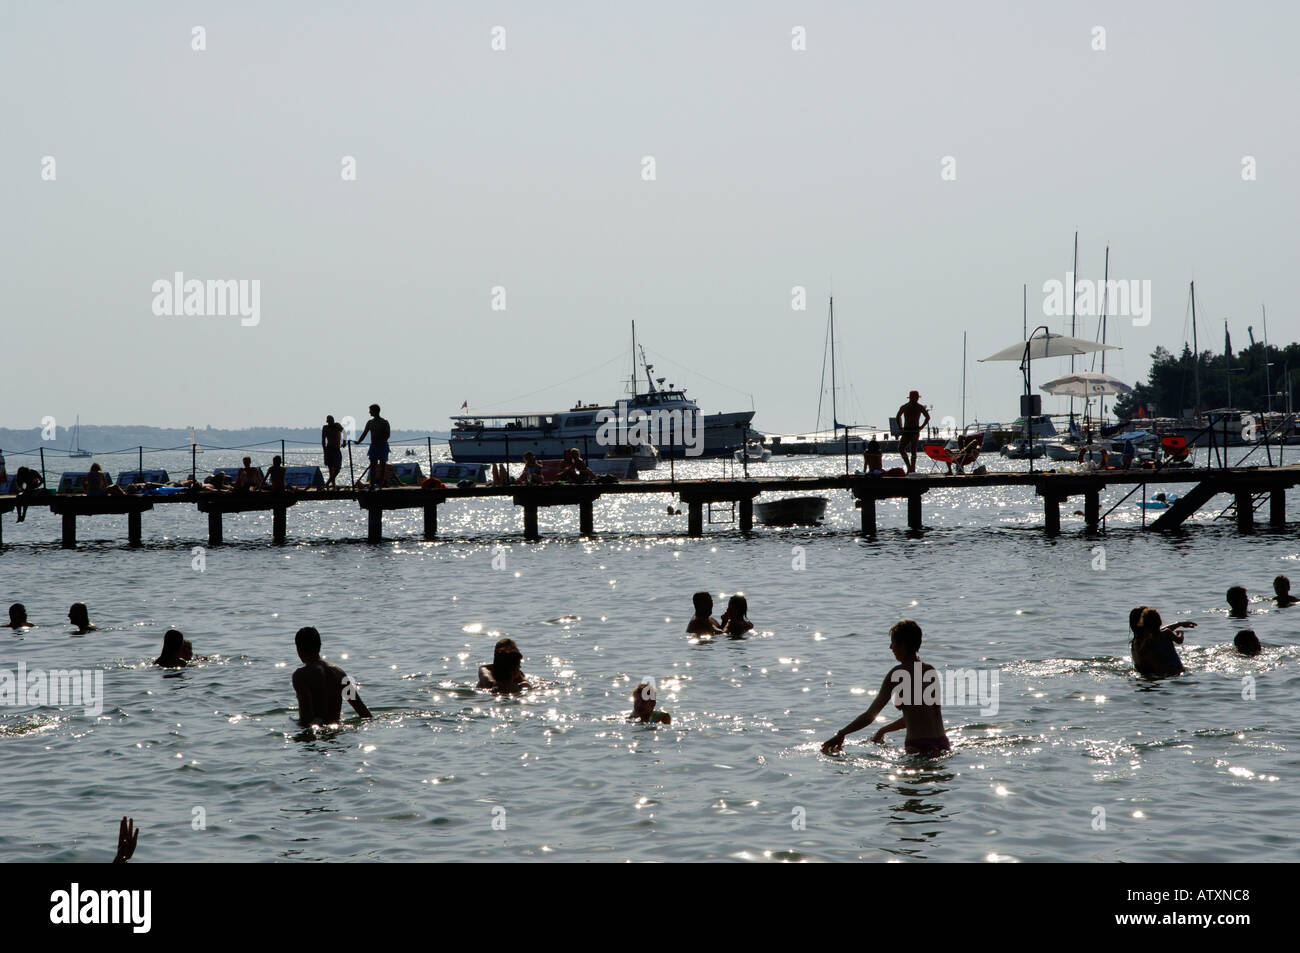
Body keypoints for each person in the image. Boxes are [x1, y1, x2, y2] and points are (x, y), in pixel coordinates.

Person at [821, 619, 950, 755]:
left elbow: (870, 716)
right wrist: (884, 730)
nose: (891, 648)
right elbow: (920, 715)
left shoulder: (897, 674)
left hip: (918, 746)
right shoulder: (930, 670)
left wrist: (842, 733)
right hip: (942, 743)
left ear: (902, 646)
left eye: (893, 643)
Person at [291, 626, 372, 726]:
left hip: (316, 734)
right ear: (319, 646)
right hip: (336, 733)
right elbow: (364, 713)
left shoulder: (301, 675)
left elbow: (306, 719)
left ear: (298, 649)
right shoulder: (339, 673)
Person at [1130, 606, 1195, 677]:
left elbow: (1159, 633)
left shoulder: (1137, 642)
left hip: (1147, 677)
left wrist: (1179, 624)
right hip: (1166, 674)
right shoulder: (1146, 643)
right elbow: (1162, 633)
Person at [354, 404, 391, 489]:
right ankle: (372, 484)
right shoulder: (370, 422)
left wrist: (381, 441)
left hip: (382, 446)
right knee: (373, 465)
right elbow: (365, 433)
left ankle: (381, 484)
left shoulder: (384, 422)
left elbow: (387, 434)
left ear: (375, 411)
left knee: (382, 465)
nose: (369, 412)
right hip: (374, 446)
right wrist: (359, 441)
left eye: (370, 410)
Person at [895, 391, 931, 474]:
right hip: (907, 430)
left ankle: (912, 468)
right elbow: (898, 417)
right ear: (911, 398)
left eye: (918, 398)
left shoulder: (920, 407)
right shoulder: (905, 407)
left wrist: (921, 427)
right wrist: (900, 428)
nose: (917, 399)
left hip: (915, 430)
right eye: (916, 397)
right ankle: (909, 466)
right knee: (901, 448)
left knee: (913, 450)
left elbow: (927, 417)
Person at [321, 415, 345, 489]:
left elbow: (344, 433)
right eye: (329, 420)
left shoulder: (337, 425)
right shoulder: (325, 428)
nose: (330, 421)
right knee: (330, 468)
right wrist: (325, 451)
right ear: (327, 421)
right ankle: (333, 485)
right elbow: (323, 441)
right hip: (329, 449)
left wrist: (344, 442)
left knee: (337, 469)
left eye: (331, 420)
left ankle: (327, 483)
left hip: (336, 449)